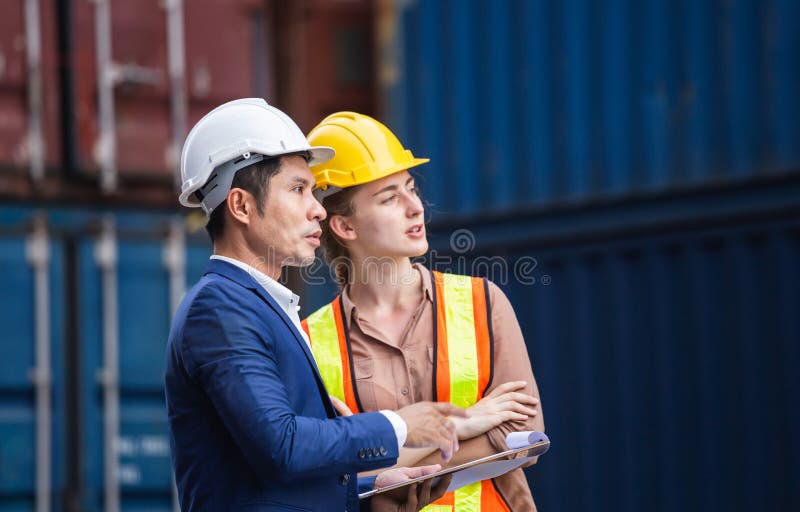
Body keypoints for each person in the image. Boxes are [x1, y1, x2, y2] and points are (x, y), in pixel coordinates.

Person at [164, 98, 466, 512]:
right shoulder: (219, 309)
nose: (319, 210)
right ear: (241, 206)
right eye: (298, 190)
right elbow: (283, 446)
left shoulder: (260, 306)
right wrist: (400, 426)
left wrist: (368, 492)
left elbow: (271, 480)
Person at [301, 112, 545, 511]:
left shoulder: (483, 303)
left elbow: (524, 435)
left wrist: (384, 472)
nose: (415, 207)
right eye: (390, 198)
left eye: (411, 189)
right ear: (345, 227)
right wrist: (462, 425)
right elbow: (321, 476)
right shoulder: (308, 343)